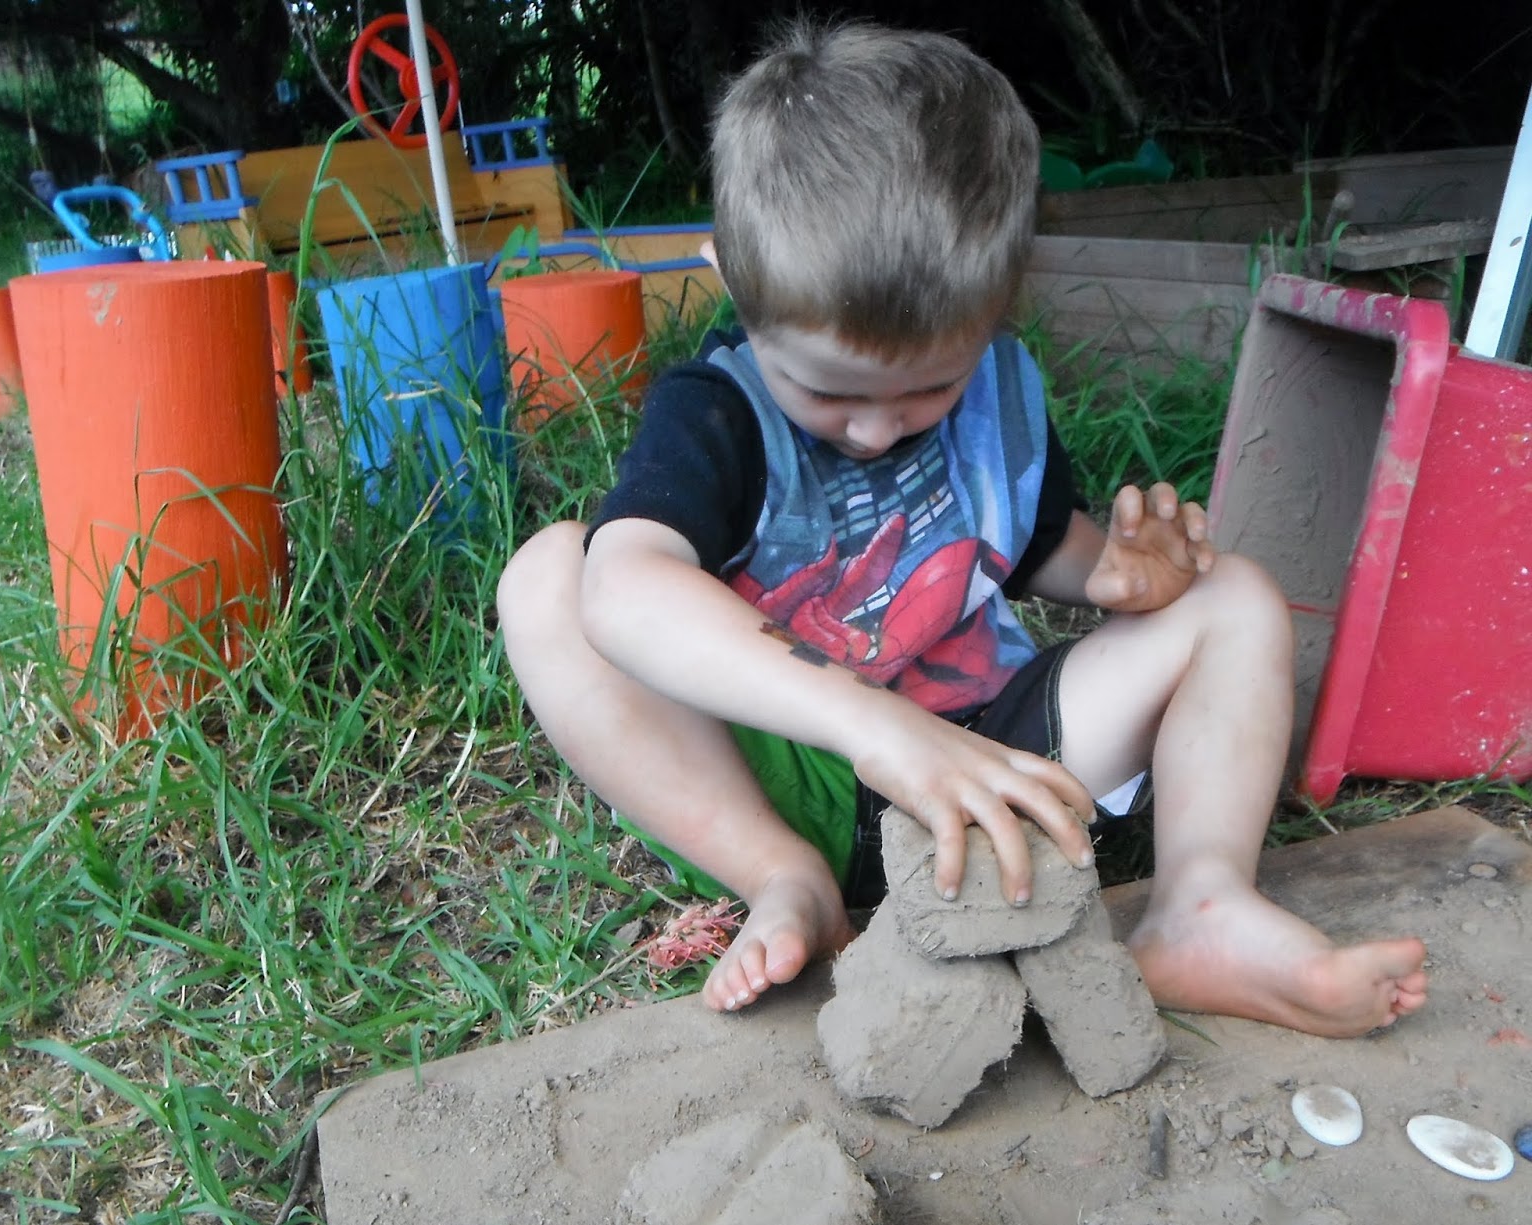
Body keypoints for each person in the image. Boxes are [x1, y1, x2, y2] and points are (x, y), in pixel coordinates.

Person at [497, 19, 1428, 1036]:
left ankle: (1199, 907)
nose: (875, 428)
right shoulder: (716, 413)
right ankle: (789, 882)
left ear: (995, 313)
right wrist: (874, 726)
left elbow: (1026, 548)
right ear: (731, 277)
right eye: (826, 390)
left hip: (999, 772)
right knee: (551, 574)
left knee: (1236, 594)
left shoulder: (996, 389)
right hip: (790, 772)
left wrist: (1115, 578)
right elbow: (626, 586)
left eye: (927, 388)